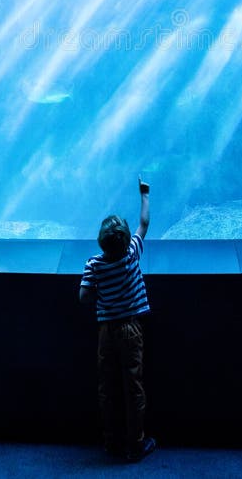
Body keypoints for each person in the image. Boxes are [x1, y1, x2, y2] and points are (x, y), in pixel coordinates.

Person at [79, 175, 156, 462]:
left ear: (101, 242)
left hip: (106, 332)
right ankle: (135, 444)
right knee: (133, 385)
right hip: (131, 329)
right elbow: (144, 224)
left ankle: (111, 442)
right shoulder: (132, 254)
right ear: (126, 240)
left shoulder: (94, 264)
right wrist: (144, 194)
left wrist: (100, 292)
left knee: (107, 386)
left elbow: (83, 297)